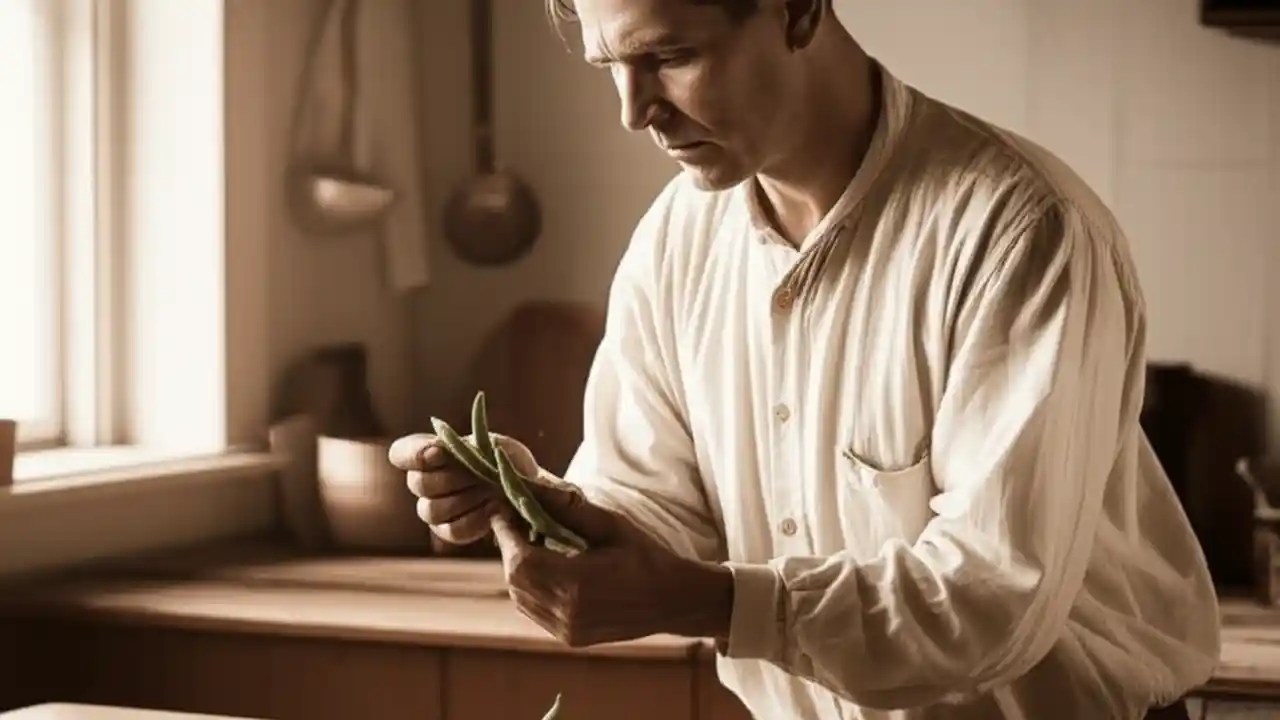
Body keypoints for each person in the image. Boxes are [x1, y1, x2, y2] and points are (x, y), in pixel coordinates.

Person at [388, 0, 1222, 717]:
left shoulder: (1017, 231)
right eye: (611, 64)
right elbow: (655, 504)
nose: (633, 111)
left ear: (799, 7)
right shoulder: (676, 240)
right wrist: (545, 511)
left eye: (669, 56)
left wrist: (703, 599)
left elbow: (989, 599)